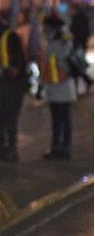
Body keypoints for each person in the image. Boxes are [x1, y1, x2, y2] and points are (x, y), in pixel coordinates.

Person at [0, 11, 29, 162]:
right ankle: (2, 147)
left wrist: (10, 71)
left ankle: (10, 148)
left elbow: (17, 62)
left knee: (9, 116)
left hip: (14, 82)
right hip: (6, 82)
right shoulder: (0, 37)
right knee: (2, 116)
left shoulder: (8, 37)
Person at [39, 13, 77, 160]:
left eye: (46, 27)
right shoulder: (50, 40)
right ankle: (56, 148)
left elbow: (61, 57)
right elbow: (46, 64)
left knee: (65, 119)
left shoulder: (64, 39)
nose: (44, 29)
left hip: (64, 85)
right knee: (56, 119)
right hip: (53, 86)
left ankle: (65, 148)